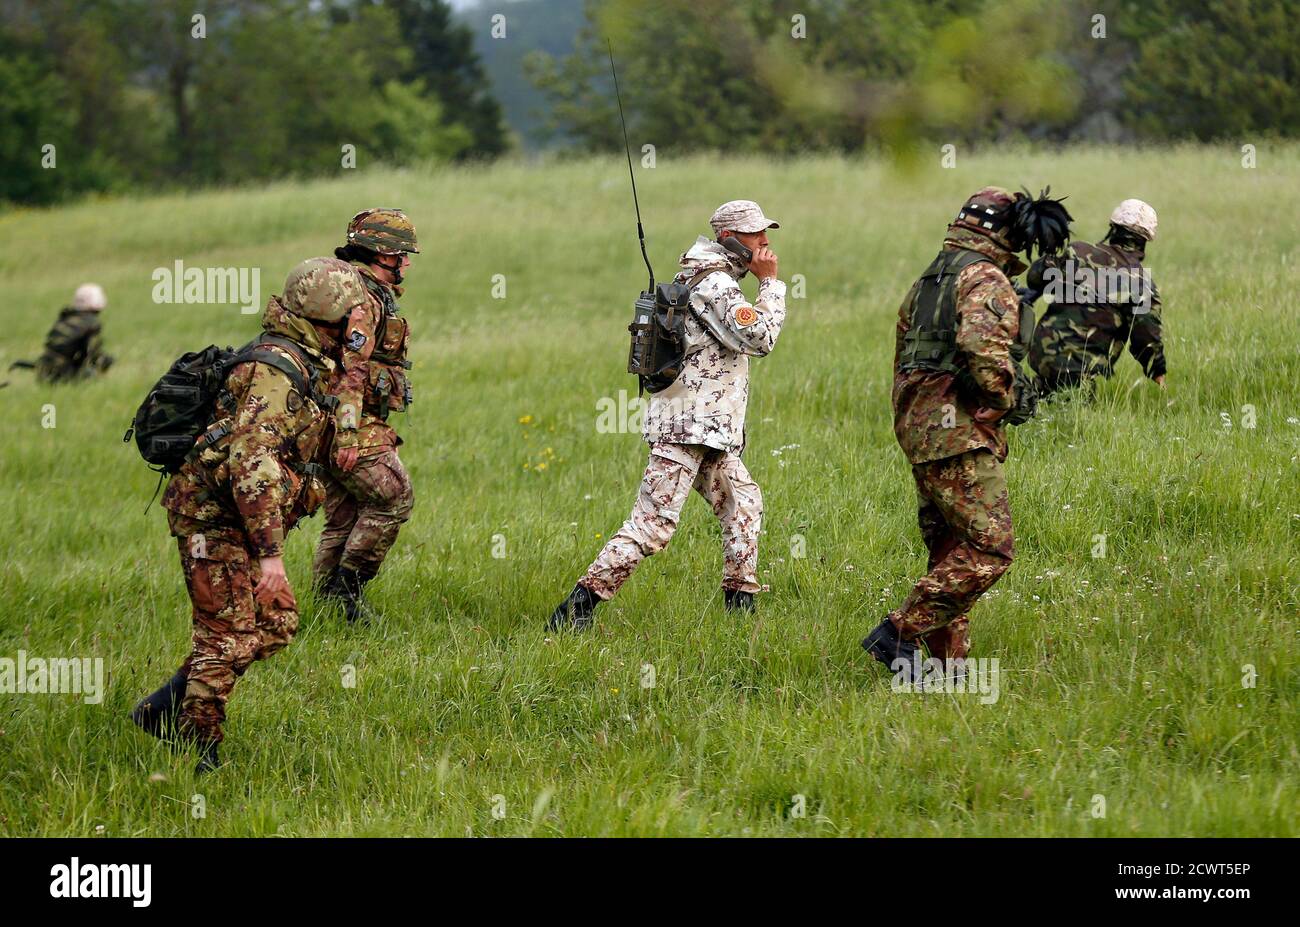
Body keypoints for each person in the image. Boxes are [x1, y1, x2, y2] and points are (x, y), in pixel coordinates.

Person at [130, 258, 365, 772]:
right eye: (350, 314)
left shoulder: (305, 358)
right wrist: (272, 557)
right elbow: (248, 460)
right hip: (210, 519)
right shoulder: (277, 371)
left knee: (275, 622)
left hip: (233, 515)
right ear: (328, 314)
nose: (357, 325)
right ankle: (201, 753)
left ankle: (165, 706)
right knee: (228, 633)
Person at [549, 199, 787, 630]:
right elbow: (760, 337)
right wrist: (770, 284)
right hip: (687, 426)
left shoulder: (711, 277)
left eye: (765, 232)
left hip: (708, 427)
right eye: (755, 234)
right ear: (729, 238)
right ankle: (574, 612)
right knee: (653, 525)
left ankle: (740, 609)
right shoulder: (715, 285)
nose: (765, 242)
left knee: (744, 504)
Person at [865, 187, 1070, 676]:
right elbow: (983, 350)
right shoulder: (985, 277)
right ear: (1004, 233)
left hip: (920, 429)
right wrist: (1009, 398)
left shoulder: (930, 280)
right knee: (989, 547)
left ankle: (945, 668)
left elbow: (903, 360)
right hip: (958, 430)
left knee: (949, 550)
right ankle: (897, 633)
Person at [311, 209, 419, 622]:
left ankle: (326, 611)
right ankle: (346, 593)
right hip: (348, 420)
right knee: (394, 497)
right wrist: (349, 435)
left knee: (343, 517)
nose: (406, 264)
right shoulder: (364, 300)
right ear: (381, 253)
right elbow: (350, 372)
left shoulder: (354, 290)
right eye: (401, 255)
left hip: (328, 419)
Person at [1029, 198, 1165, 397]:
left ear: (1113, 228)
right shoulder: (1140, 281)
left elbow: (1035, 277)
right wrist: (1157, 370)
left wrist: (1049, 259)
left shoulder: (1077, 251)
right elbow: (1146, 334)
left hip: (1041, 353)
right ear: (1144, 240)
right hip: (1079, 368)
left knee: (1037, 403)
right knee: (1073, 417)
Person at [10, 283, 114, 382]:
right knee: (91, 376)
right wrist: (106, 361)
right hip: (62, 372)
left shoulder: (66, 318)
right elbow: (94, 352)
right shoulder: (91, 323)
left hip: (44, 371)